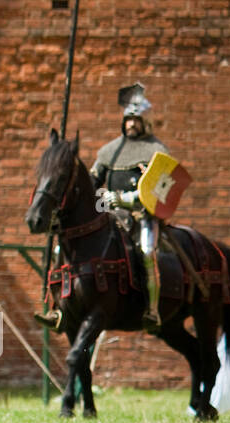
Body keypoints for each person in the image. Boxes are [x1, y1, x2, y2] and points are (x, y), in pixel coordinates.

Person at [36, 82, 169, 333]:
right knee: (59, 250)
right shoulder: (110, 151)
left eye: (136, 120)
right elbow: (91, 184)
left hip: (142, 216)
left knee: (148, 252)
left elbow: (160, 191)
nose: (131, 124)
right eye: (128, 119)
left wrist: (126, 199)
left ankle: (151, 310)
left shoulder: (157, 151)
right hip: (111, 216)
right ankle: (58, 308)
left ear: (145, 122)